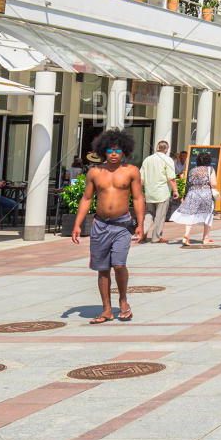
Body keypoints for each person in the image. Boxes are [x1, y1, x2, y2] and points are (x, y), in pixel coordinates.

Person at [70, 129, 145, 324]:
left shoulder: (131, 171)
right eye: (110, 150)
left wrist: (140, 224)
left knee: (119, 265)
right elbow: (87, 198)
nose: (113, 153)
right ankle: (106, 310)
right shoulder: (95, 172)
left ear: (124, 152)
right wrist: (77, 224)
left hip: (121, 225)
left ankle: (123, 301)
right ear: (103, 151)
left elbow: (138, 198)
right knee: (102, 269)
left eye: (117, 150)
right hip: (100, 225)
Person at [170, 152, 216, 245]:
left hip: (192, 193)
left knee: (190, 215)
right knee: (208, 214)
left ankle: (186, 236)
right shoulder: (210, 169)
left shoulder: (192, 170)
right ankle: (205, 238)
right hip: (205, 194)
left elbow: (189, 181)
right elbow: (214, 184)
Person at [140, 140, 178, 242]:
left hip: (149, 192)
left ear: (157, 148)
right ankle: (156, 237)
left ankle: (142, 234)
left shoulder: (147, 159)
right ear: (166, 149)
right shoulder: (168, 160)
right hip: (162, 192)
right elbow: (171, 178)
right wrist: (176, 190)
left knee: (148, 214)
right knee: (160, 216)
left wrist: (139, 191)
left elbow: (141, 179)